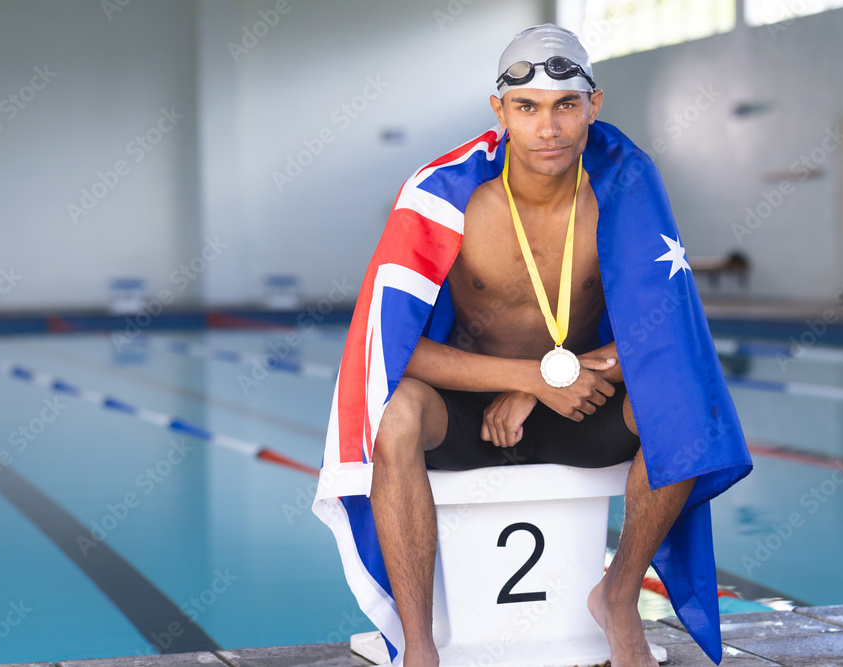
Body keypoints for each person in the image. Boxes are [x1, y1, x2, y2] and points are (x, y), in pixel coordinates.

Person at [313, 23, 752, 667]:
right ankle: (419, 646)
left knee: (684, 401)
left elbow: (667, 334)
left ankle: (618, 596)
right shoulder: (445, 198)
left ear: (593, 105)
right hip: (470, 412)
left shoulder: (623, 189)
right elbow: (388, 351)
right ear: (500, 111)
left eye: (566, 105)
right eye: (527, 107)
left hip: (579, 401)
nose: (548, 128)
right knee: (397, 413)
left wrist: (556, 378)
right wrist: (526, 378)